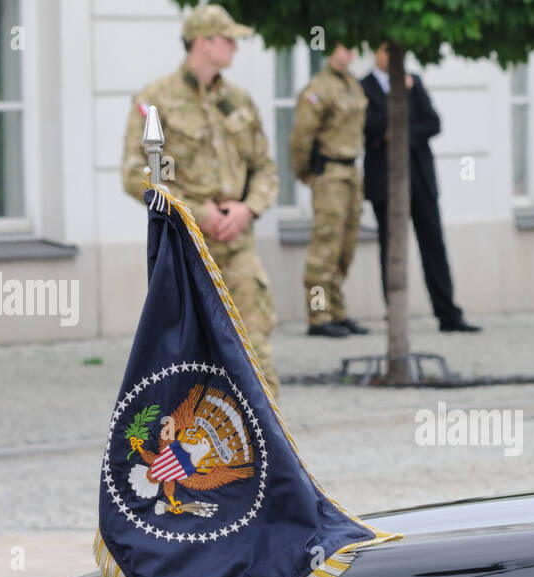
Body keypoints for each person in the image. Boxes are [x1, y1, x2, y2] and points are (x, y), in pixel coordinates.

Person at [120, 4, 282, 397]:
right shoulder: (155, 100)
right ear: (202, 42)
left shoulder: (240, 101)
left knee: (255, 353)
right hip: (188, 248)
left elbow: (266, 169)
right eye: (228, 40)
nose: (235, 49)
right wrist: (197, 212)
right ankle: (194, 453)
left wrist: (248, 209)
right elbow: (136, 174)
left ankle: (266, 452)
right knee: (187, 359)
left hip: (237, 243)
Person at [362, 43, 479, 333]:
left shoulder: (414, 82)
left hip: (420, 179)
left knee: (434, 245)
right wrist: (392, 117)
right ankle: (396, 316)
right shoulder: (363, 87)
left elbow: (433, 122)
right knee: (390, 250)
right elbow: (368, 129)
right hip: (385, 182)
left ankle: (448, 314)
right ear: (375, 52)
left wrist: (400, 134)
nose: (390, 56)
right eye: (385, 50)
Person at [289, 45, 370, 338]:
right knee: (324, 248)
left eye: (352, 49)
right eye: (343, 48)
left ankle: (337, 310)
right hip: (330, 173)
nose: (349, 54)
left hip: (351, 171)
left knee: (345, 247)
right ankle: (318, 314)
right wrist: (306, 173)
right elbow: (301, 138)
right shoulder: (318, 88)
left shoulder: (352, 84)